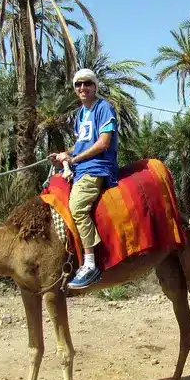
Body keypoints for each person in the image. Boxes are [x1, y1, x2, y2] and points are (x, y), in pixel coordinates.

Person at [53, 68, 119, 289]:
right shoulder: (80, 114)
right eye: (78, 84)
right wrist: (65, 154)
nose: (82, 88)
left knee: (77, 206)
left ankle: (90, 263)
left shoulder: (104, 108)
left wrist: (74, 159)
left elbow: (103, 143)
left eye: (87, 83)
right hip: (81, 166)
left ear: (95, 86)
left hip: (97, 167)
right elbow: (82, 142)